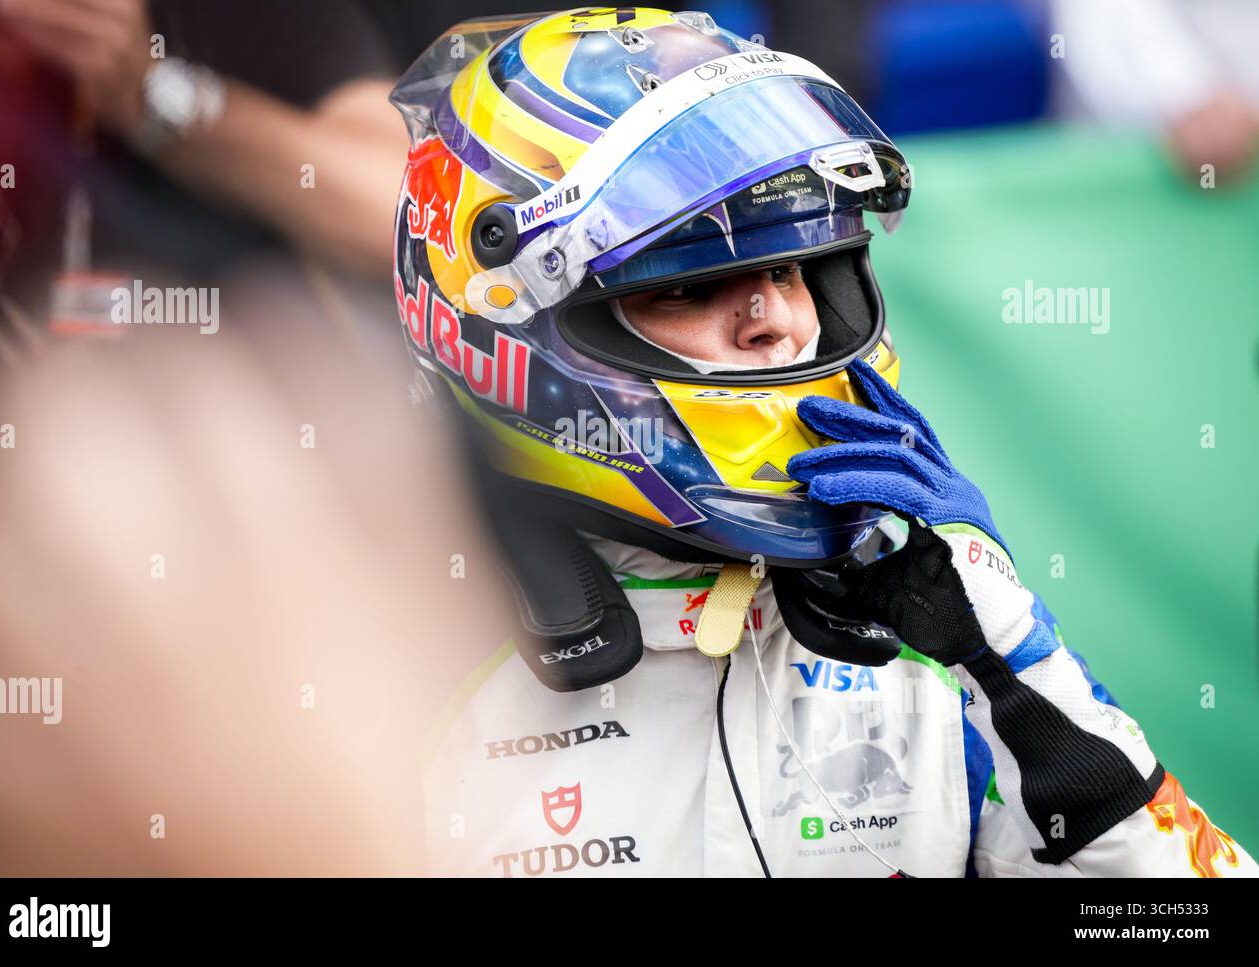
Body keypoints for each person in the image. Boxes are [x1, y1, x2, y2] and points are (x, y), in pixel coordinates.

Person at [390, 8, 1257, 877]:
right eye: (688, 285)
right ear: (509, 333)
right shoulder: (383, 663)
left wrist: (1021, 667)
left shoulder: (944, 657)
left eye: (791, 266)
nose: (777, 323)